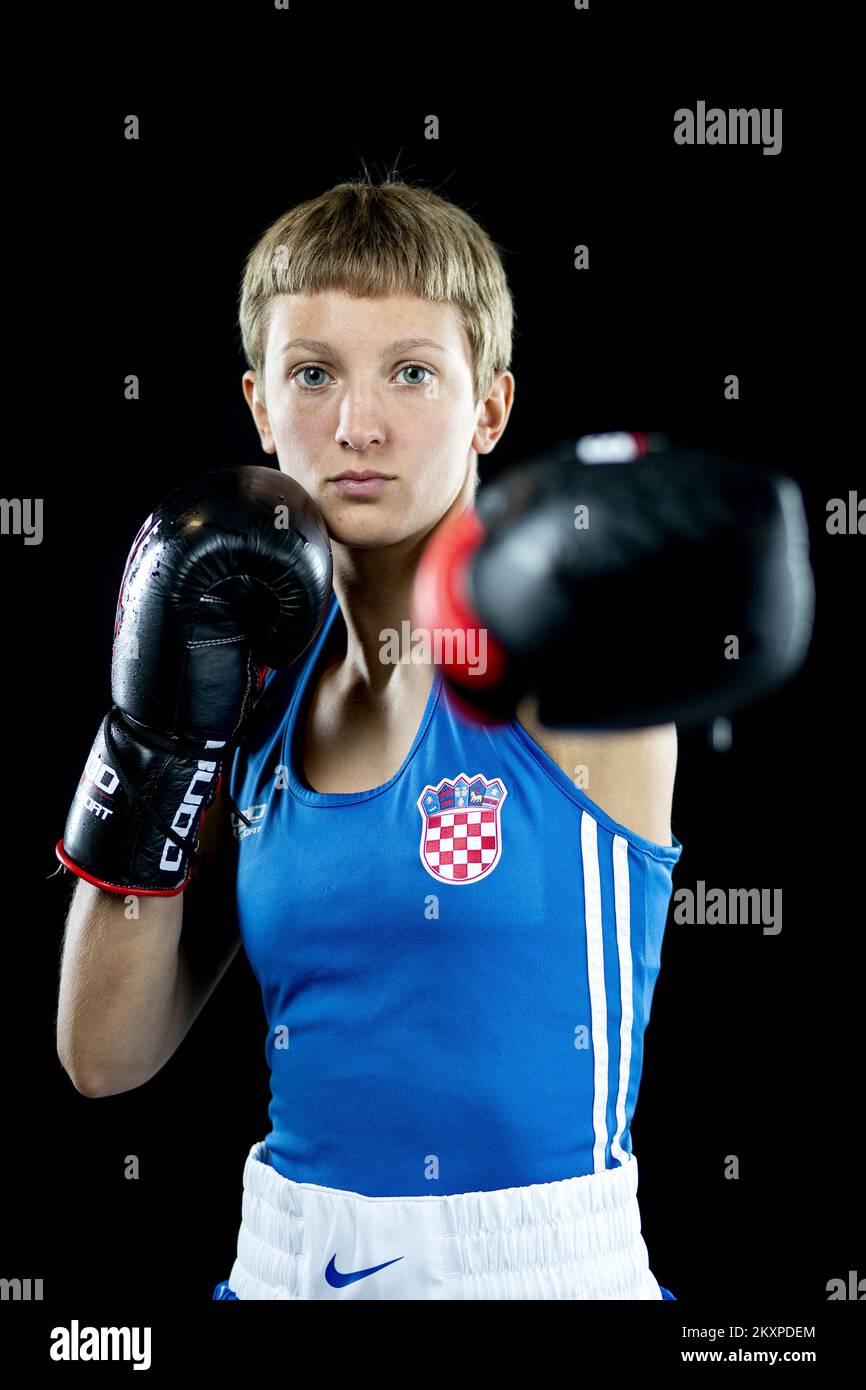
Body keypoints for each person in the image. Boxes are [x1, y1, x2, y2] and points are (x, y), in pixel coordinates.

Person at [57, 177, 685, 1299]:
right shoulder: (249, 695)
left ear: (488, 408)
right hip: (287, 1260)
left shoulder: (550, 655)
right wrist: (154, 741)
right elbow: (103, 1056)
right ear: (258, 404)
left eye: (410, 372)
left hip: (536, 1272)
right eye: (313, 374)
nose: (357, 424)